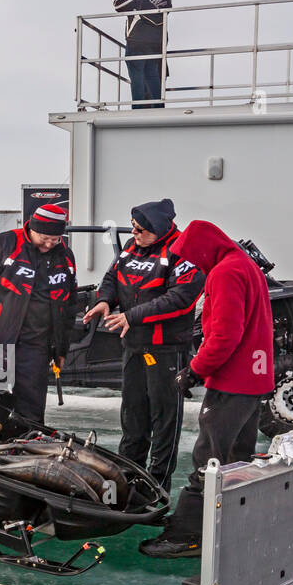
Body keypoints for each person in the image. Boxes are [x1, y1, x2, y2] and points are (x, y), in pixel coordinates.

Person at [139, 220, 275, 558]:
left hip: (232, 380)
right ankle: (230, 526)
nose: (194, 265)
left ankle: (187, 536)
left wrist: (195, 371)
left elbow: (225, 335)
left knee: (208, 459)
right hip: (252, 380)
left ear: (203, 249)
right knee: (235, 460)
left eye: (193, 257)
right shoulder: (245, 264)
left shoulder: (224, 272)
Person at [83, 199, 204, 492]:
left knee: (164, 420)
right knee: (133, 415)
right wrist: (103, 301)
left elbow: (180, 298)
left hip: (166, 350)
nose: (134, 234)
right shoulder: (132, 247)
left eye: (140, 230)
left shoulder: (182, 252)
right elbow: (112, 277)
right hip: (134, 346)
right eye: (133, 228)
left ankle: (156, 485)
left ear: (159, 229)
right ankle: (126, 478)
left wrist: (130, 316)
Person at [0, 204, 78, 425]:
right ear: (32, 227)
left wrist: (61, 349)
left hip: (37, 349)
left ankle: (26, 450)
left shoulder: (65, 257)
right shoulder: (1, 245)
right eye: (44, 237)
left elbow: (69, 306)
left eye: (56, 239)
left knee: (31, 413)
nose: (50, 243)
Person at [112, 0, 172, 109]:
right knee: (152, 74)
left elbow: (117, 5)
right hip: (157, 42)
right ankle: (158, 107)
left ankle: (137, 108)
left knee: (136, 75)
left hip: (136, 41)